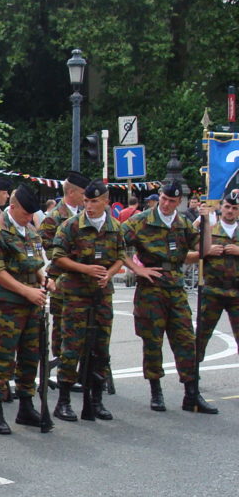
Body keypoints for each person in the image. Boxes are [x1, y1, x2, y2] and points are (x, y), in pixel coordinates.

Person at [124, 181, 218, 414]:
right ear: (159, 197)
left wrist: (206, 222)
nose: (166, 204)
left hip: (175, 289)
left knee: (186, 340)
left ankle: (191, 393)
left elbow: (204, 250)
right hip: (151, 288)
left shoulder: (184, 223)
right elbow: (113, 245)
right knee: (152, 341)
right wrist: (137, 269)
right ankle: (156, 391)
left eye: (172, 201)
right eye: (164, 199)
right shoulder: (140, 220)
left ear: (179, 202)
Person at [49, 179, 126, 422]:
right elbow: (58, 258)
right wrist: (85, 269)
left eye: (95, 201)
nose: (89, 206)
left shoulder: (115, 226)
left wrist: (109, 273)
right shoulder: (71, 226)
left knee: (100, 349)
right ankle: (64, 401)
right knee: (71, 348)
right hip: (75, 295)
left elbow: (121, 256)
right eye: (87, 201)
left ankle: (96, 400)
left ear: (106, 201)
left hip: (102, 296)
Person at [0, 183, 50, 435]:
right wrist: (26, 291)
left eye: (32, 214)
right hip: (9, 307)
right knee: (3, 358)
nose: (29, 218)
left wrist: (43, 278)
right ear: (12, 208)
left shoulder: (31, 232)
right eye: (25, 213)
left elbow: (36, 263)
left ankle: (26, 405)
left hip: (33, 306)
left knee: (31, 357)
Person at [40, 171, 88, 362]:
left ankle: (80, 366)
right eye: (83, 193)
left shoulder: (86, 214)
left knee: (83, 326)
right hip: (62, 278)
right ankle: (62, 364)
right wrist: (73, 258)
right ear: (72, 193)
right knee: (62, 324)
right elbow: (48, 248)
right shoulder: (54, 218)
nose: (86, 198)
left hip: (83, 280)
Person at [198, 189, 239, 376]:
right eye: (227, 207)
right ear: (221, 207)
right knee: (200, 337)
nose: (230, 211)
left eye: (234, 208)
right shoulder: (209, 229)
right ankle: (192, 380)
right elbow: (191, 252)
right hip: (212, 292)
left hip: (236, 293)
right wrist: (207, 250)